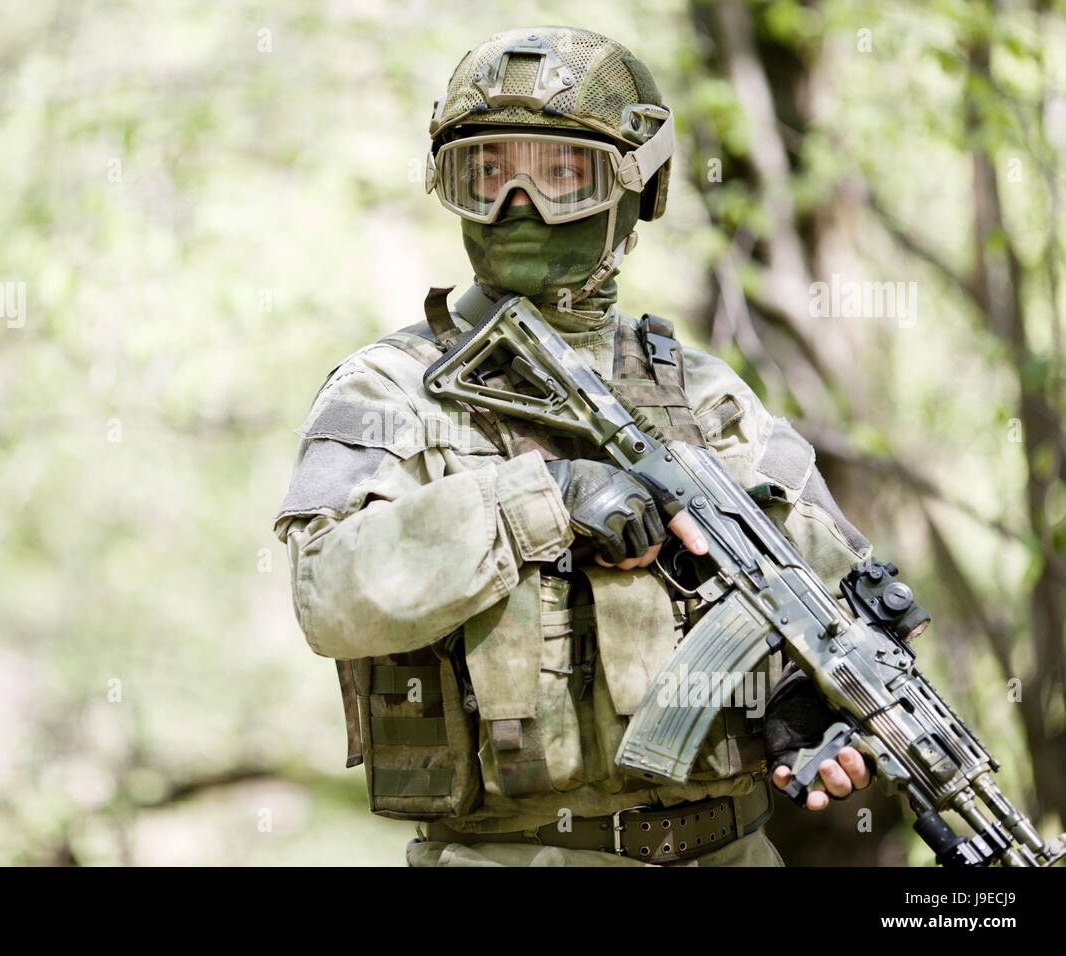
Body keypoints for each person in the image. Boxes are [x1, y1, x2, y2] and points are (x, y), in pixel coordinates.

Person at [272, 25, 878, 866]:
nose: (516, 202)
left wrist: (807, 704)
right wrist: (545, 498)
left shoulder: (704, 397)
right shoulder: (391, 387)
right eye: (484, 174)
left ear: (637, 186)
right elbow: (325, 589)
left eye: (560, 174)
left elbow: (844, 599)